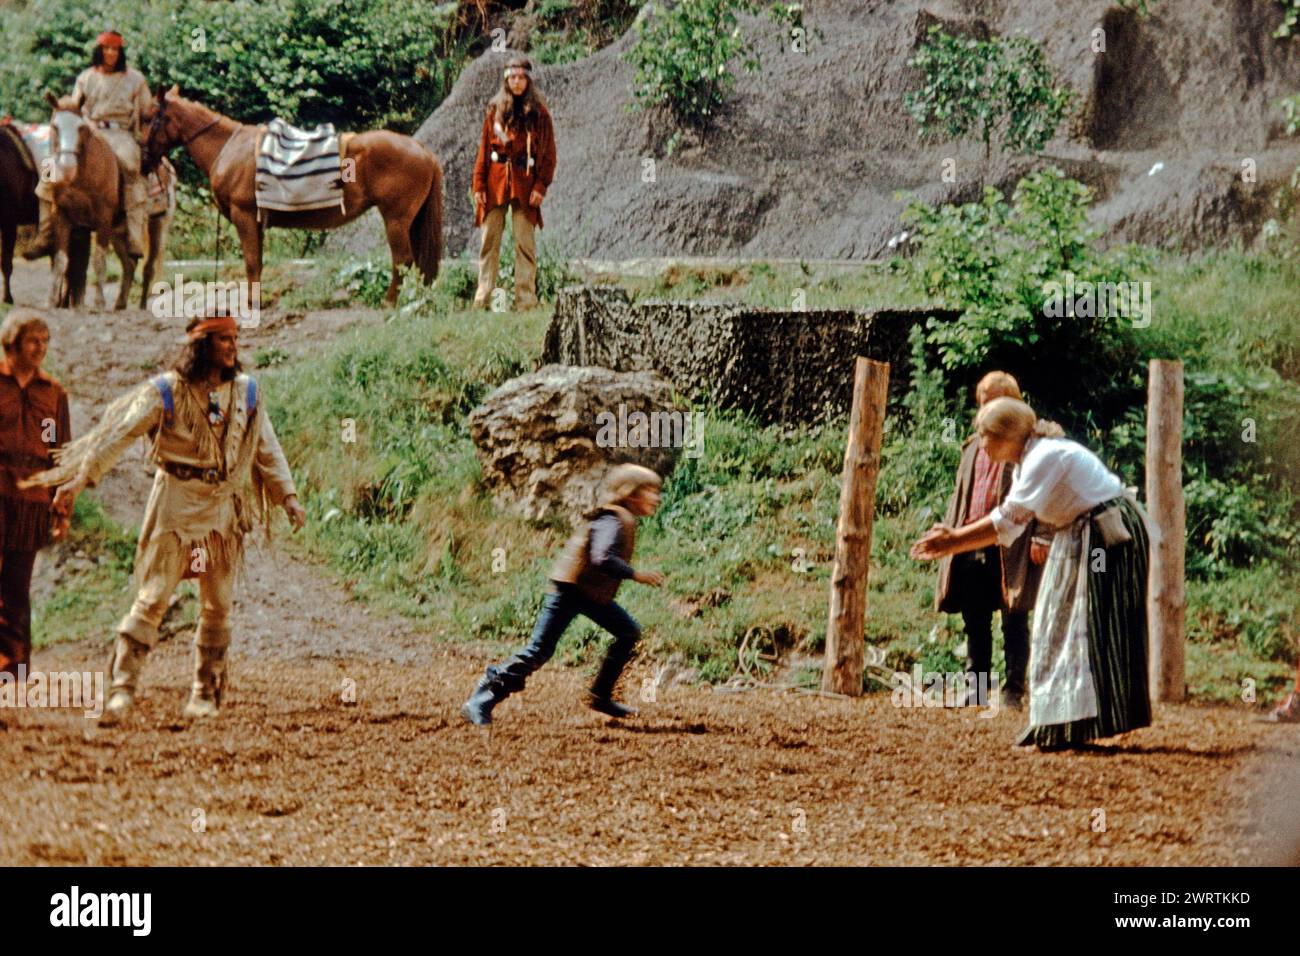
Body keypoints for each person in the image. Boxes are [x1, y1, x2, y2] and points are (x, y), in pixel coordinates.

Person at [25, 311, 306, 724]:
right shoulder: (166, 392)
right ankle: (122, 691)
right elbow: (119, 435)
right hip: (176, 501)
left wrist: (289, 497)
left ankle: (205, 692)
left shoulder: (246, 393)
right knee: (154, 596)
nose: (232, 347)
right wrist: (76, 482)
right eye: (223, 339)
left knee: (218, 605)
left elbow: (266, 448)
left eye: (234, 338)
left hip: (222, 508)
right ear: (201, 345)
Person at [910, 397, 1153, 750]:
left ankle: (1083, 721)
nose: (982, 445)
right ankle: (1060, 721)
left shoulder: (1042, 458)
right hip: (1078, 532)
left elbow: (1006, 521)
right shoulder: (1028, 462)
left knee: (1089, 624)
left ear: (1007, 435)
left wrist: (951, 542)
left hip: (1106, 533)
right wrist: (952, 543)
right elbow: (1009, 525)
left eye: (985, 435)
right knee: (1055, 622)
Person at [461, 463, 664, 725]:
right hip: (570, 590)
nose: (656, 497)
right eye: (650, 491)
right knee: (539, 650)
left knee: (628, 632)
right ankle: (481, 698)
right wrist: (637, 574)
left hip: (587, 592)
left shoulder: (618, 517)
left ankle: (600, 695)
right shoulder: (613, 518)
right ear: (631, 493)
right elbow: (602, 558)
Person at [932, 372, 1046, 709]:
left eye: (992, 402)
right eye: (981, 403)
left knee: (1014, 615)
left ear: (1014, 401)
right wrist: (951, 536)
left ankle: (1013, 691)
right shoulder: (972, 446)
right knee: (975, 618)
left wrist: (1041, 534)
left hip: (1013, 541)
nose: (984, 409)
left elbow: (1042, 497)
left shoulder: (1032, 443)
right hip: (971, 540)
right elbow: (962, 495)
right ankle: (977, 688)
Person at [25, 29, 152, 261]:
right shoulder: (86, 78)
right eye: (106, 49)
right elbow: (74, 108)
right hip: (87, 130)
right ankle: (45, 233)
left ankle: (134, 234)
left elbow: (147, 112)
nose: (111, 53)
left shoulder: (135, 79)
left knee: (131, 168)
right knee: (49, 167)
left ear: (120, 52)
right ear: (99, 51)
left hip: (119, 133)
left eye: (115, 49)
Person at [0, 310, 71, 676]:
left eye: (45, 341)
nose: (40, 348)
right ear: (12, 344)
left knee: (17, 585)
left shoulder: (52, 393)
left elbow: (60, 452)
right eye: (33, 341)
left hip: (31, 500)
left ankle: (12, 669)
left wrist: (61, 506)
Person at [470, 55, 557, 311]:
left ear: (528, 80)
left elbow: (550, 155)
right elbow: (484, 150)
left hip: (526, 185)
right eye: (512, 78)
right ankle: (483, 299)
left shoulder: (540, 114)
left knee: (525, 245)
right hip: (495, 182)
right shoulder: (494, 111)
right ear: (506, 81)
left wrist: (541, 187)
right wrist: (478, 186)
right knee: (489, 243)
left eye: (521, 77)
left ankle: (526, 301)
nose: (517, 82)